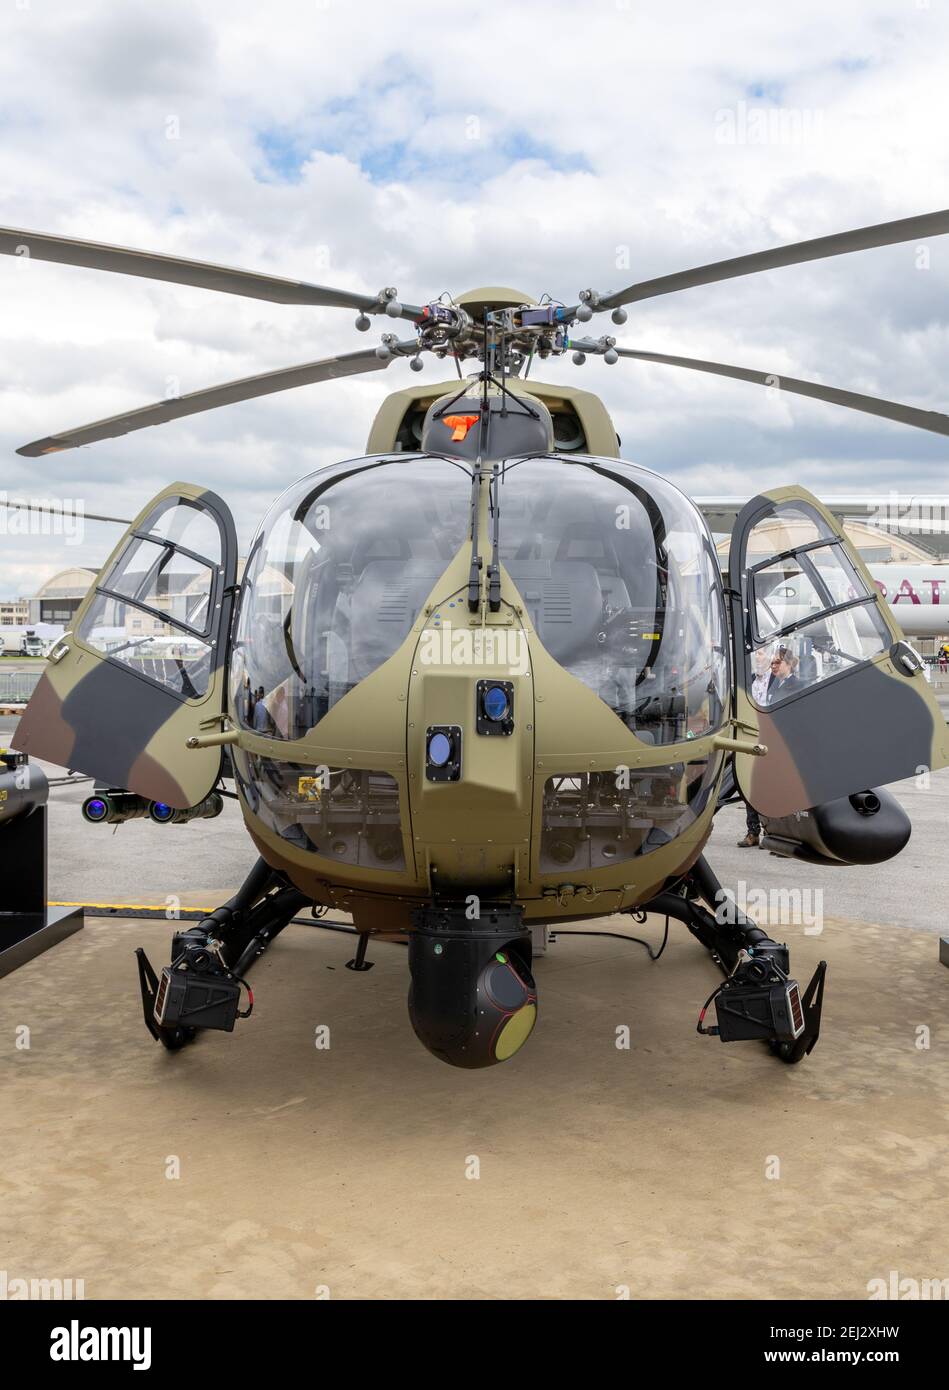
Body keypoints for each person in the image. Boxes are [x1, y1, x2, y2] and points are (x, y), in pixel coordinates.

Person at [737, 648, 770, 847]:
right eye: (756, 654)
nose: (757, 657)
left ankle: (771, 831)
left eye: (761, 653)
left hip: (769, 740)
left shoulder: (774, 681)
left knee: (768, 787)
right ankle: (753, 831)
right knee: (748, 786)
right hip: (750, 739)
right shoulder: (748, 681)